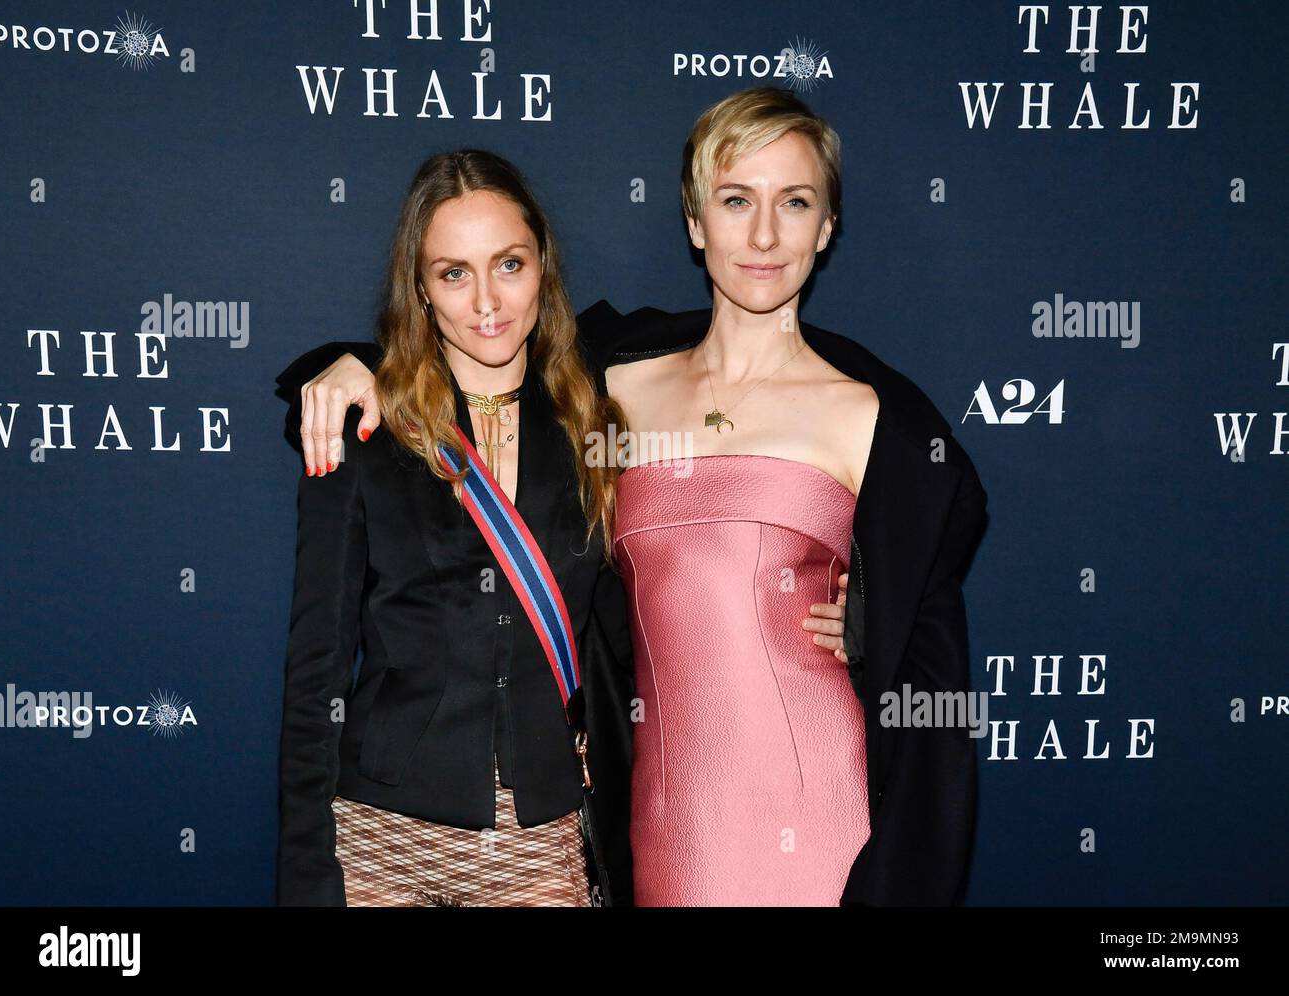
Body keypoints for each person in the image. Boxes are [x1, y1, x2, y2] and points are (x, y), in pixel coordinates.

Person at [284, 87, 989, 906]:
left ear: (827, 227)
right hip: (665, 815)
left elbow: (933, 610)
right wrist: (344, 363)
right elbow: (476, 337)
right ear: (695, 222)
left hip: (816, 805)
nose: (763, 235)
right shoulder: (611, 379)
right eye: (735, 201)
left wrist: (874, 612)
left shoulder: (876, 415)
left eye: (793, 203)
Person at [276, 148, 637, 906]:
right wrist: (308, 877)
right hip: (377, 838)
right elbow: (316, 674)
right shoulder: (362, 427)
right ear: (421, 287)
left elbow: (742, 323)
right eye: (453, 273)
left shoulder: (596, 425)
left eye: (509, 264)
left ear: (544, 264)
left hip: (539, 843)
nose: (486, 302)